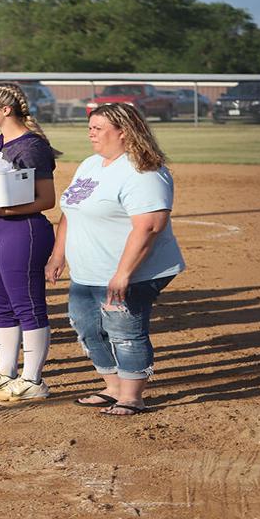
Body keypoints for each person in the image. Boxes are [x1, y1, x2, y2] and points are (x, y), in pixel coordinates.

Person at [48, 102, 186, 416]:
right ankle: (112, 387)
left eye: (98, 129)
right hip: (88, 270)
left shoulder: (143, 171)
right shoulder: (91, 164)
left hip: (133, 270)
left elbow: (150, 226)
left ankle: (133, 395)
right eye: (90, 127)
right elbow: (72, 209)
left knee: (125, 331)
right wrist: (58, 254)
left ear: (123, 133)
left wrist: (123, 273)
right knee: (86, 326)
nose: (90, 134)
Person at [0, 83, 60, 402]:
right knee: (1, 306)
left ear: (6, 110)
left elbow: (47, 200)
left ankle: (33, 379)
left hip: (23, 230)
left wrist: (4, 210)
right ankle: (6, 373)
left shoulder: (32, 146)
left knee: (27, 305)